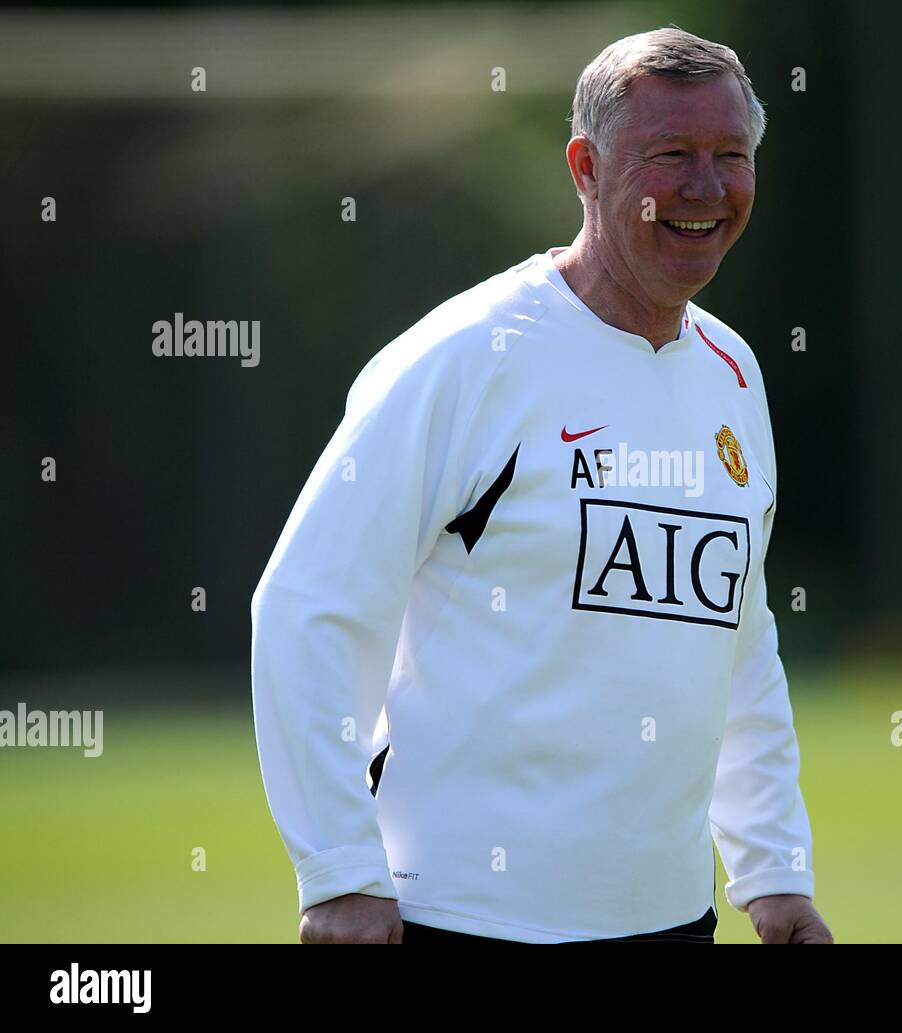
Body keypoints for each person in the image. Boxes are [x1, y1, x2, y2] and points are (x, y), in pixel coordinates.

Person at [250, 26, 832, 945]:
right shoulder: (464, 357)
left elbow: (738, 636)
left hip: (669, 921)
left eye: (732, 157)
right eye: (670, 155)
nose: (706, 188)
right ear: (586, 168)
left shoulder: (734, 371)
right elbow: (306, 602)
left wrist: (773, 868)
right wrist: (338, 869)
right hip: (459, 915)